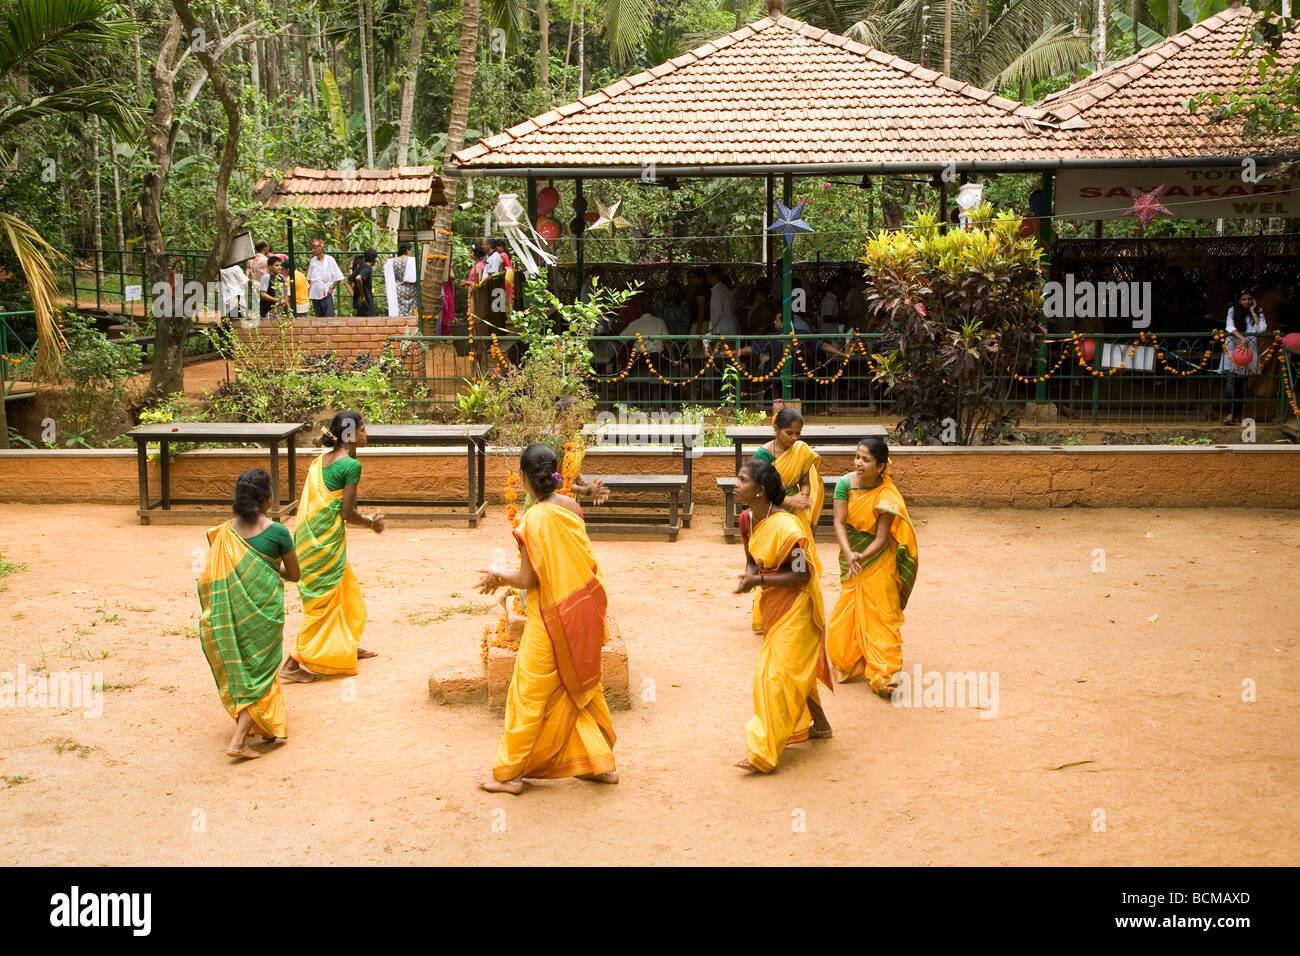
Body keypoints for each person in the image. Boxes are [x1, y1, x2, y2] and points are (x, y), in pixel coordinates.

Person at [473, 444, 619, 794]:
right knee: (582, 685)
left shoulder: (532, 521)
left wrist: (498, 575)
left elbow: (528, 580)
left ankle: (508, 774)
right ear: (557, 474)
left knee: (529, 694)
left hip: (551, 618)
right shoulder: (571, 507)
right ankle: (602, 764)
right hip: (585, 607)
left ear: (522, 478)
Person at [732, 457, 833, 773]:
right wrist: (749, 576)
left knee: (773, 676)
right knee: (793, 669)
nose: (736, 484)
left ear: (760, 491)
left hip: (798, 605)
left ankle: (763, 751)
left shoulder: (788, 527)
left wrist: (759, 580)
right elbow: (751, 559)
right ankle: (821, 725)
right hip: (774, 603)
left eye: (742, 479)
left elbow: (802, 574)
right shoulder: (747, 520)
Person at [197, 469, 298, 760]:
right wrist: (270, 565)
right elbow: (294, 575)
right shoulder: (278, 532)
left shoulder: (224, 533)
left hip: (230, 615)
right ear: (267, 498)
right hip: (263, 614)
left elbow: (216, 577)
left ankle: (260, 724)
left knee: (245, 667)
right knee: (263, 670)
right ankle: (239, 740)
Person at [280, 410, 385, 683]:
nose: (367, 434)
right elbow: (347, 513)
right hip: (325, 545)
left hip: (310, 539)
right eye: (362, 430)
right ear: (350, 435)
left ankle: (345, 644)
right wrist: (371, 523)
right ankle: (291, 663)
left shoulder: (320, 461)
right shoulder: (350, 466)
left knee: (344, 591)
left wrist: (352, 449)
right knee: (323, 603)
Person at [827, 437, 918, 696]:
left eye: (865, 459)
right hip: (851, 556)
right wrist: (850, 554)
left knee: (883, 616)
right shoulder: (845, 484)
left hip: (878, 559)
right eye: (857, 457)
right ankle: (855, 659)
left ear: (880, 466)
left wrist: (862, 556)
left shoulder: (887, 495)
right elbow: (839, 523)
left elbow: (881, 537)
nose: (858, 463)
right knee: (842, 626)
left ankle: (884, 675)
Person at [744, 406, 824, 632]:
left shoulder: (801, 451)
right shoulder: (763, 456)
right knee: (771, 564)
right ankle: (768, 613)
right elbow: (761, 491)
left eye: (798, 434)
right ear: (776, 429)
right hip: (770, 515)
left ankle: (798, 610)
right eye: (790, 433)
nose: (794, 438)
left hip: (794, 519)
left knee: (798, 562)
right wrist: (791, 500)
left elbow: (806, 480)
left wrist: (805, 494)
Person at [1219, 288, 1268, 425]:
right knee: (1230, 383)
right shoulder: (1232, 311)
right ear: (1239, 301)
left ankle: (1238, 415)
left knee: (1241, 385)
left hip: (1248, 353)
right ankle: (1230, 414)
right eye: (1244, 299)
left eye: (1249, 299)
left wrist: (1253, 312)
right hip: (1233, 350)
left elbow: (1262, 329)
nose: (1247, 302)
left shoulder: (1258, 312)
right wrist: (1242, 338)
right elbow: (1230, 327)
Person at [306, 239, 343, 317]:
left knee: (328, 316)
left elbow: (338, 276)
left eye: (315, 248)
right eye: (312, 248)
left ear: (321, 249)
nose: (313, 250)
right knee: (318, 316)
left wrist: (331, 288)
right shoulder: (313, 261)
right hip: (315, 293)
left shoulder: (330, 259)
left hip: (326, 293)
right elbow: (309, 278)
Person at [384, 242, 418, 318]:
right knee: (411, 311)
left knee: (398, 309)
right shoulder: (413, 261)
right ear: (407, 251)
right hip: (410, 290)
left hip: (397, 289)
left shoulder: (392, 261)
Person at [708, 266, 739, 337]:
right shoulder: (726, 290)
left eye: (708, 275)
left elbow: (717, 313)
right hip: (730, 328)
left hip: (722, 330)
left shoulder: (717, 292)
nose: (707, 278)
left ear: (714, 276)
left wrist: (710, 329)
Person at [346, 249, 377, 317]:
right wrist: (362, 295)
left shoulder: (361, 267)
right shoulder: (367, 268)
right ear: (375, 259)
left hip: (359, 302)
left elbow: (347, 282)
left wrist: (354, 296)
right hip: (366, 302)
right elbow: (358, 278)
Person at [257, 255, 286, 319]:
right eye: (276, 265)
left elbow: (283, 291)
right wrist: (276, 300)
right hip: (267, 308)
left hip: (279, 309)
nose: (279, 267)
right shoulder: (266, 277)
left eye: (280, 265)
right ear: (270, 267)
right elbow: (263, 294)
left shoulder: (281, 277)